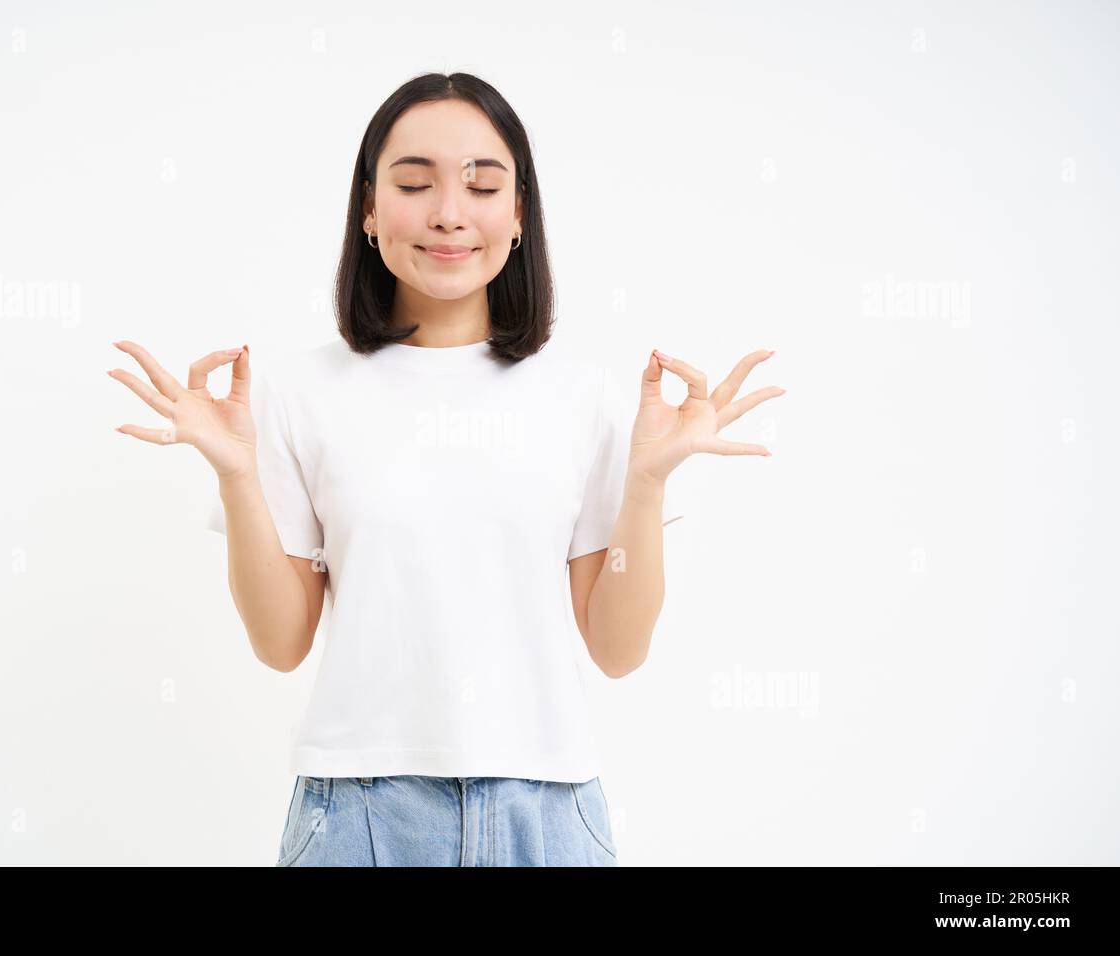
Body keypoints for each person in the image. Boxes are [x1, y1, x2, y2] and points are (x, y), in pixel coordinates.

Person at [108, 72, 784, 866]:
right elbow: (281, 641)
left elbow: (618, 648)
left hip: (548, 812)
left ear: (521, 212)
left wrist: (643, 484)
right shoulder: (299, 393)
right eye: (414, 182)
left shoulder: (587, 398)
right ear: (367, 208)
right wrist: (235, 476)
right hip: (357, 815)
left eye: (483, 184)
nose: (450, 213)